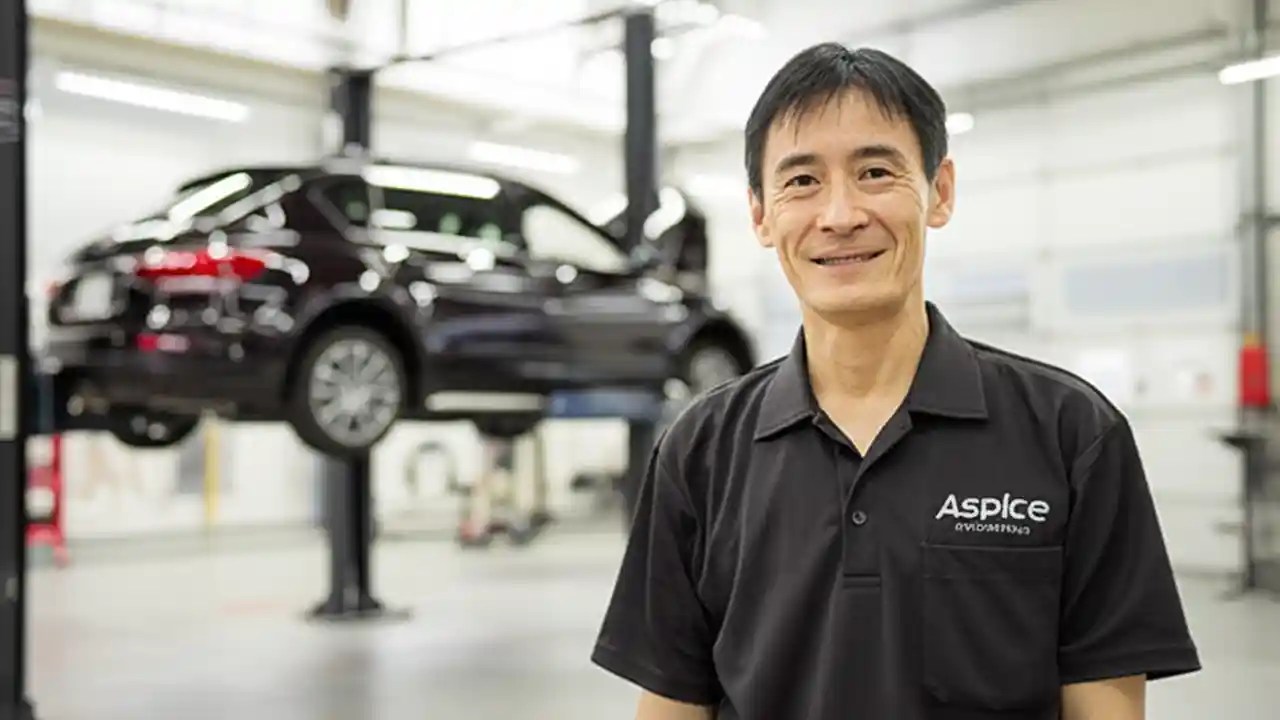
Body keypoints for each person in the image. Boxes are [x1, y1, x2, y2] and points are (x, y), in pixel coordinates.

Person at [591, 43, 1200, 720]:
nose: (841, 214)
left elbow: (1105, 703)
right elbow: (673, 701)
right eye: (801, 182)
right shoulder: (702, 448)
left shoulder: (1071, 432)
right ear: (761, 215)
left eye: (876, 171)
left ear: (939, 192)